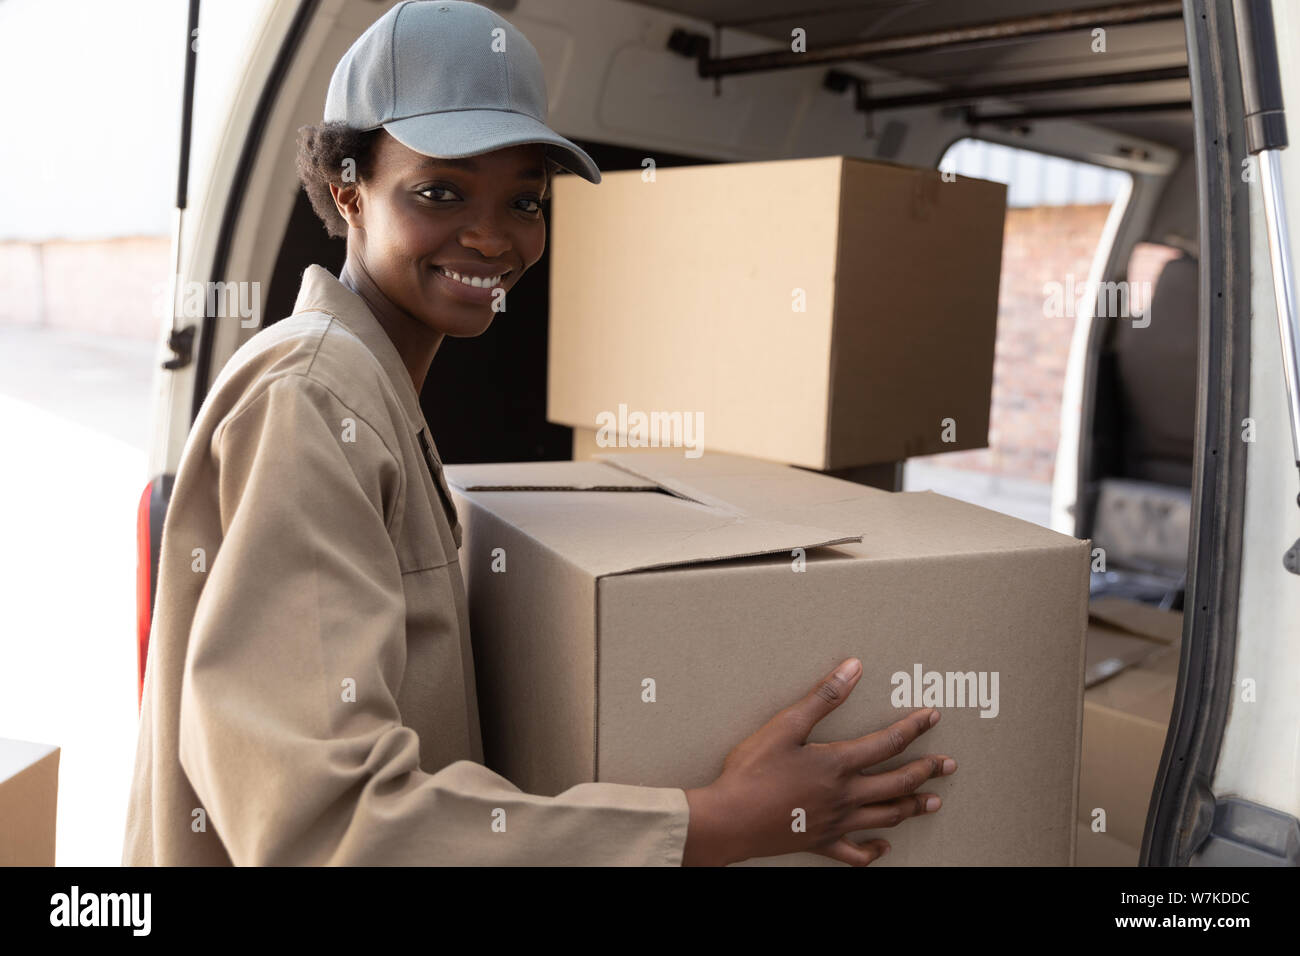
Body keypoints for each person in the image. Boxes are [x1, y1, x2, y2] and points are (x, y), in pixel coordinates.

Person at [123, 0, 954, 867]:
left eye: (524, 199)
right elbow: (328, 823)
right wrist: (717, 821)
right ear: (348, 189)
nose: (492, 236)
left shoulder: (366, 389)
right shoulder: (311, 400)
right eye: (440, 191)